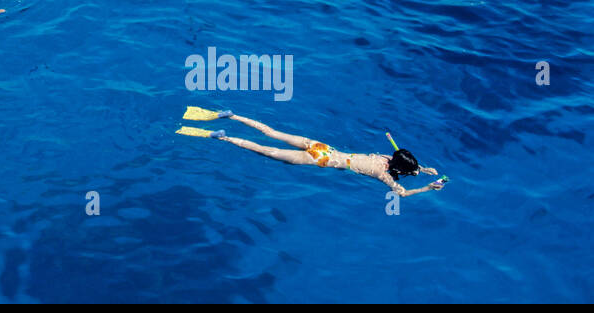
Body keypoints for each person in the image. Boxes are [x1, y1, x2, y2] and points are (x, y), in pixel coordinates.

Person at [176, 109, 447, 198]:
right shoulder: (383, 173)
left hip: (323, 147)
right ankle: (224, 137)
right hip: (322, 160)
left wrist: (421, 168)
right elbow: (402, 193)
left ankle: (233, 115)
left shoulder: (384, 158)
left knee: (271, 132)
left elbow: (402, 160)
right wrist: (426, 187)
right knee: (264, 150)